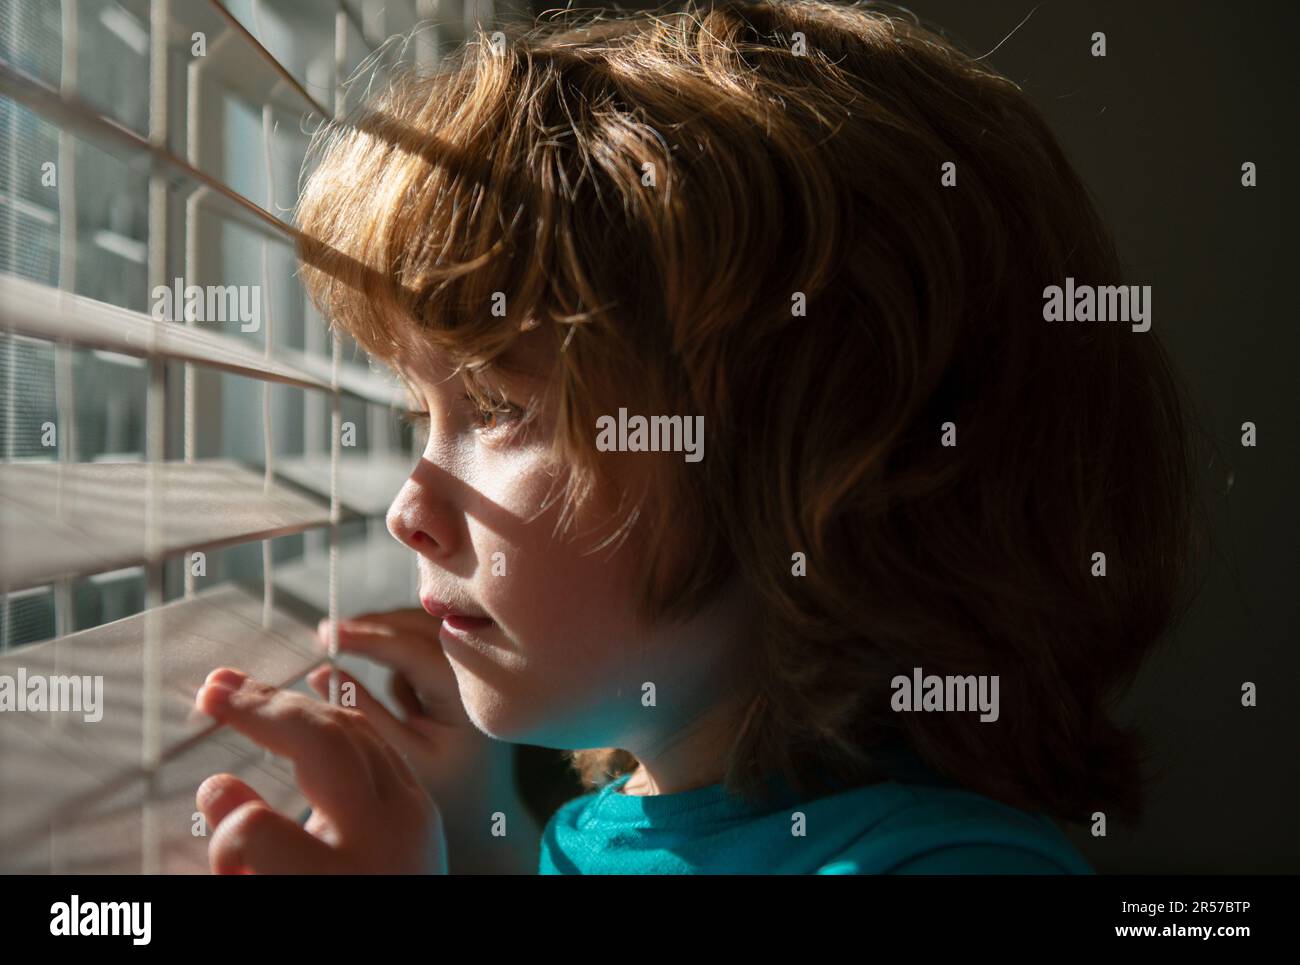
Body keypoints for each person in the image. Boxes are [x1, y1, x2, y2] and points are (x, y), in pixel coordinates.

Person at [192, 0, 1202, 874]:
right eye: (423, 415)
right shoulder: (617, 818)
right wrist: (475, 821)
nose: (408, 509)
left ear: (820, 457)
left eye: (501, 408)